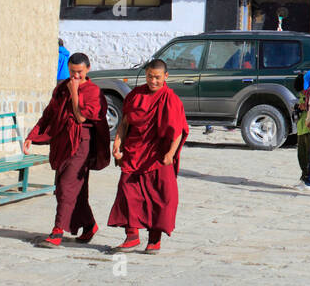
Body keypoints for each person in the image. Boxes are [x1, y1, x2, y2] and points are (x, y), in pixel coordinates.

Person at [25, 52, 108, 247]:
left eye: (79, 72)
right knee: (72, 189)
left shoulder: (93, 91)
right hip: (62, 143)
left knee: (66, 187)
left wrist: (74, 92)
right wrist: (32, 135)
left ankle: (57, 231)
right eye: (72, 72)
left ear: (87, 69)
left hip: (81, 144)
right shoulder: (61, 88)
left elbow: (80, 118)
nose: (75, 76)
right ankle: (89, 225)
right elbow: (49, 114)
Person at [109, 59, 190, 252]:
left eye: (157, 78)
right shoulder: (136, 96)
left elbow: (178, 130)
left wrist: (171, 153)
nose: (153, 81)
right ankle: (131, 236)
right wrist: (117, 142)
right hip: (135, 151)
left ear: (166, 77)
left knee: (160, 197)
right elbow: (125, 122)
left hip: (158, 155)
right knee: (127, 193)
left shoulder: (170, 99)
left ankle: (154, 239)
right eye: (150, 77)